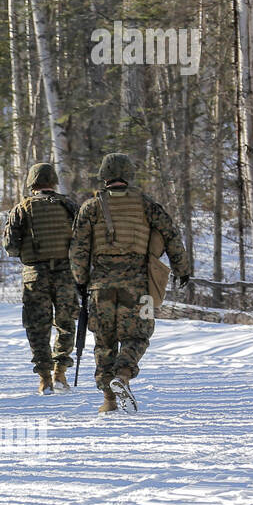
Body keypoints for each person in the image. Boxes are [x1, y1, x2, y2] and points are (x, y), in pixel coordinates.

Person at [69, 153, 191, 412]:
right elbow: (171, 235)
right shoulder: (147, 205)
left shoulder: (90, 208)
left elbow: (78, 248)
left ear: (104, 175)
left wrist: (80, 280)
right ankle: (122, 375)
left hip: (100, 287)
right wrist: (182, 269)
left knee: (104, 342)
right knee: (139, 334)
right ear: (129, 174)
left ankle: (108, 400)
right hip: (139, 287)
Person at [4, 163, 81, 394]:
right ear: (53, 181)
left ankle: (44, 377)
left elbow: (10, 247)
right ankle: (60, 373)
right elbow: (81, 240)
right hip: (66, 274)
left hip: (35, 275)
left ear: (31, 182)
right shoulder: (69, 206)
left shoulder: (21, 208)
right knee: (66, 323)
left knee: (38, 326)